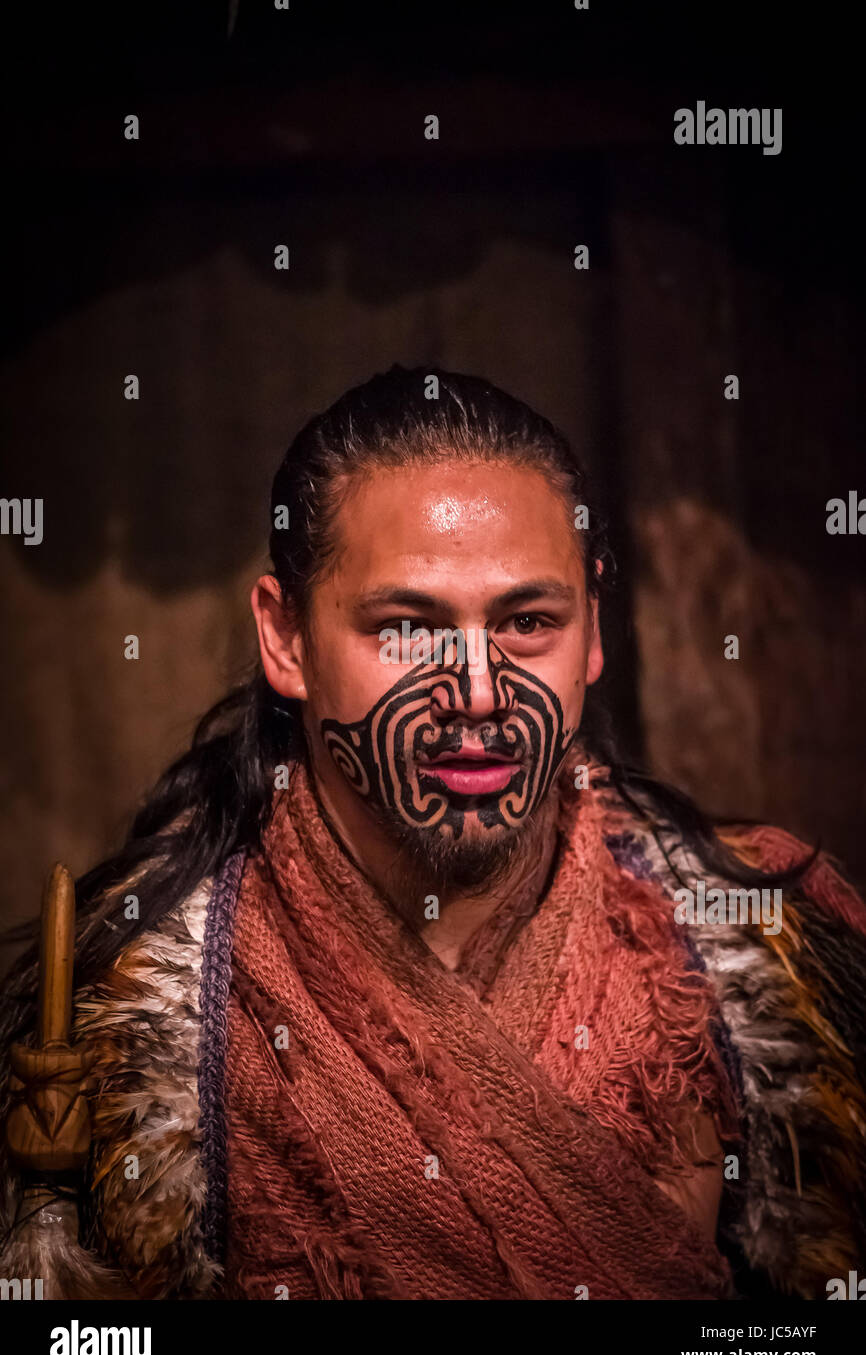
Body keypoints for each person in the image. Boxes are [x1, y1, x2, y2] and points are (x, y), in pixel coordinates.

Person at [2, 364, 865, 1301]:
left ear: (594, 635)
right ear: (287, 639)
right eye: (408, 628)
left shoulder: (755, 949)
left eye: (529, 621)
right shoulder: (126, 1018)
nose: (481, 692)